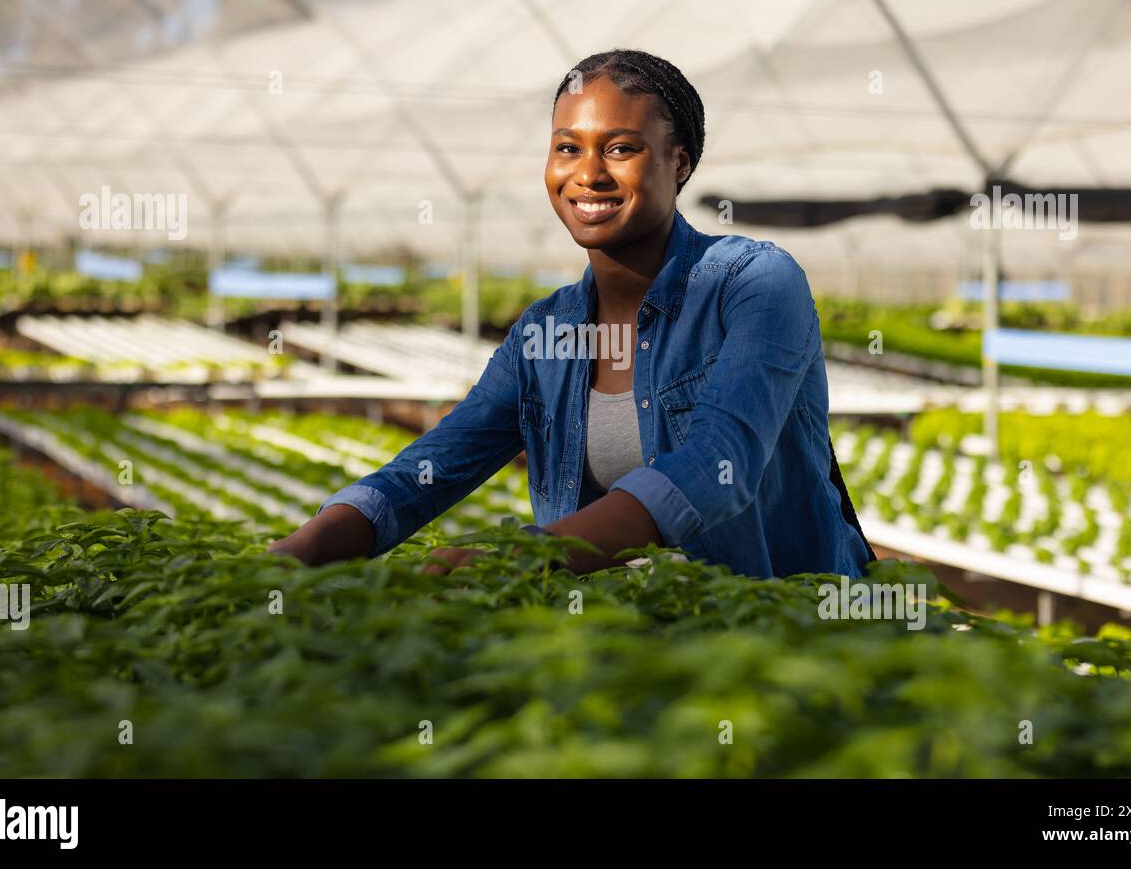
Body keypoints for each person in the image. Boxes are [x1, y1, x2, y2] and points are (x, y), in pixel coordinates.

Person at [268, 48, 874, 579]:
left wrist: (525, 558)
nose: (587, 174)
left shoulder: (754, 284)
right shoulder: (545, 334)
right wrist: (303, 549)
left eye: (620, 148)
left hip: (781, 640)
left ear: (680, 163)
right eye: (567, 148)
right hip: (608, 655)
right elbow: (432, 468)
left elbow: (718, 465)